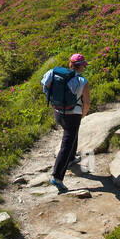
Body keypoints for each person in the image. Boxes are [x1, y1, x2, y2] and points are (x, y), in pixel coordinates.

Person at [41, 53, 90, 190]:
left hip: (58, 112)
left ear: (70, 64)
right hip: (73, 115)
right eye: (83, 67)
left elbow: (45, 85)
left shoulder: (53, 73)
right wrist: (83, 115)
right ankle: (57, 177)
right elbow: (86, 104)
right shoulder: (82, 81)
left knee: (72, 135)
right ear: (80, 67)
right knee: (66, 144)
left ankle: (71, 159)